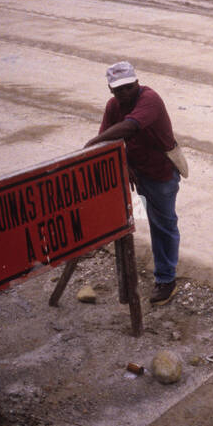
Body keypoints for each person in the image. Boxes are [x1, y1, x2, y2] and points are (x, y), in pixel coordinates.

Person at [84, 62, 180, 304]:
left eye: (128, 87)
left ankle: (167, 279)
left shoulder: (150, 99)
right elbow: (110, 140)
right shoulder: (113, 105)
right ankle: (130, 274)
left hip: (161, 171)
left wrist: (92, 142)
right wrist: (123, 165)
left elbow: (129, 126)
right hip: (136, 169)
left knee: (163, 225)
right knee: (124, 221)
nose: (124, 93)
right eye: (118, 90)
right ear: (110, 89)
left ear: (137, 82)